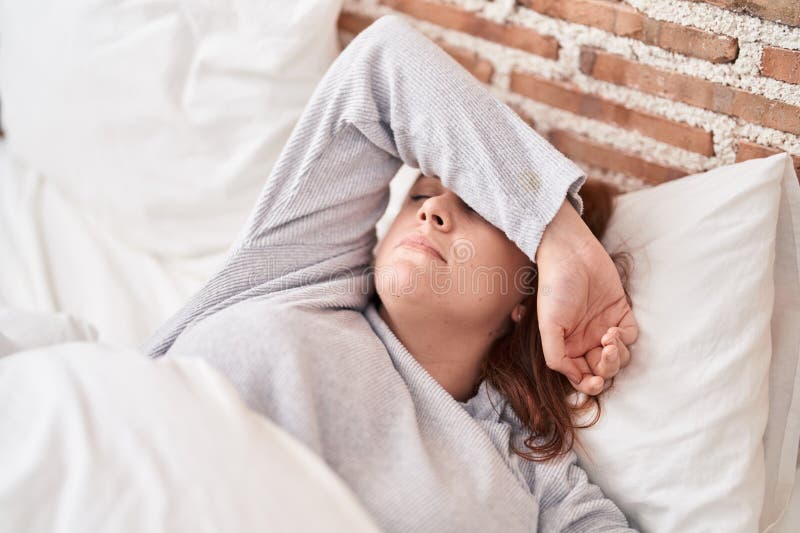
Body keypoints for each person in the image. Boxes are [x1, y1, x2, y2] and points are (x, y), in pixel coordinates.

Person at [144, 14, 638, 532]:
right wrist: (560, 236)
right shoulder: (303, 275)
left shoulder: (531, 473)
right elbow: (384, 62)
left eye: (477, 210)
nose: (431, 211)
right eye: (420, 195)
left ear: (529, 294)